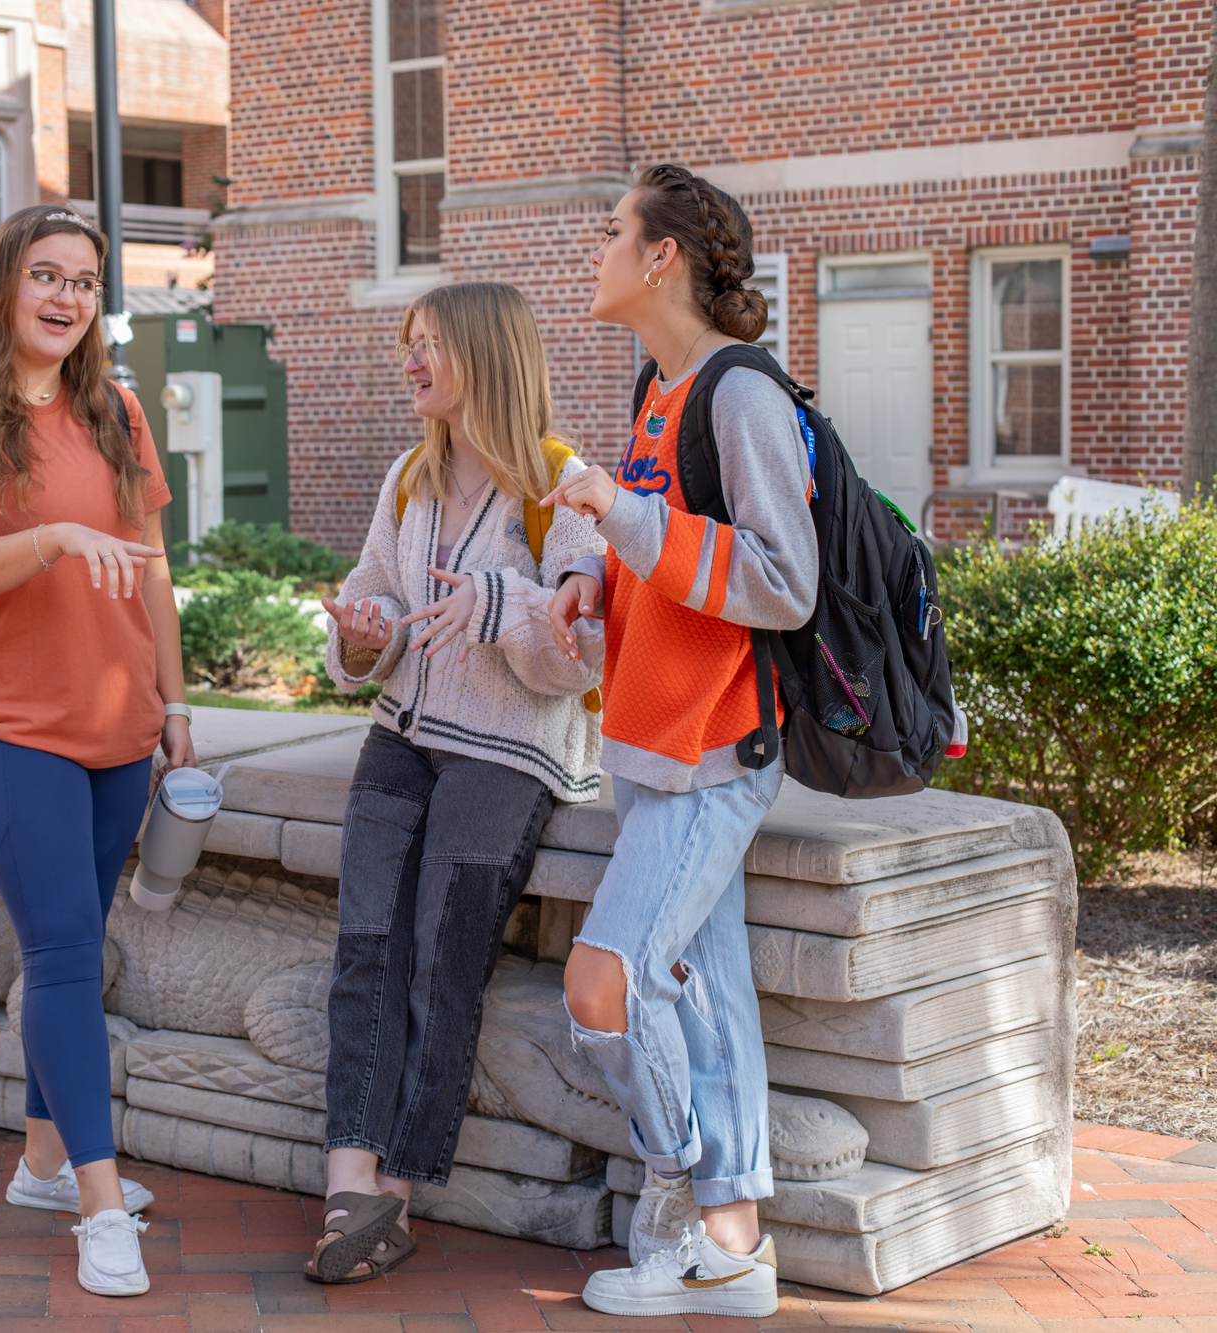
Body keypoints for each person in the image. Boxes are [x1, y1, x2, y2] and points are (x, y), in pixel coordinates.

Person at [0, 203, 193, 1299]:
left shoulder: (115, 411)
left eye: (87, 283)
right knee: (60, 945)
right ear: (4, 284)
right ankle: (101, 1210)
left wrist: (176, 710)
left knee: (80, 939)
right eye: (47, 276)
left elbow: (149, 568)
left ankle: (44, 1163)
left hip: (116, 720)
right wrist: (53, 538)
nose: (67, 298)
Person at [541, 164, 818, 1319]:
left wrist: (620, 515)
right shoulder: (655, 391)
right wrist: (595, 588)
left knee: (605, 981)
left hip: (716, 751)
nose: (594, 249)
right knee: (707, 1003)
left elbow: (782, 583)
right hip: (652, 748)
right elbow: (666, 555)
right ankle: (731, 1247)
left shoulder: (735, 394)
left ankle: (663, 1207)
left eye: (611, 232)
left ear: (661, 257)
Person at [304, 281, 608, 1284]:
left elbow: (583, 655)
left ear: (482, 355)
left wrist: (497, 606)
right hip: (399, 739)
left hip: (507, 754)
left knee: (439, 957)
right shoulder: (409, 479)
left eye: (427, 345)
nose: (410, 364)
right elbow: (371, 605)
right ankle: (346, 1174)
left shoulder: (558, 489)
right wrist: (359, 634)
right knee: (365, 948)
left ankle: (396, 1187)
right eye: (408, 346)